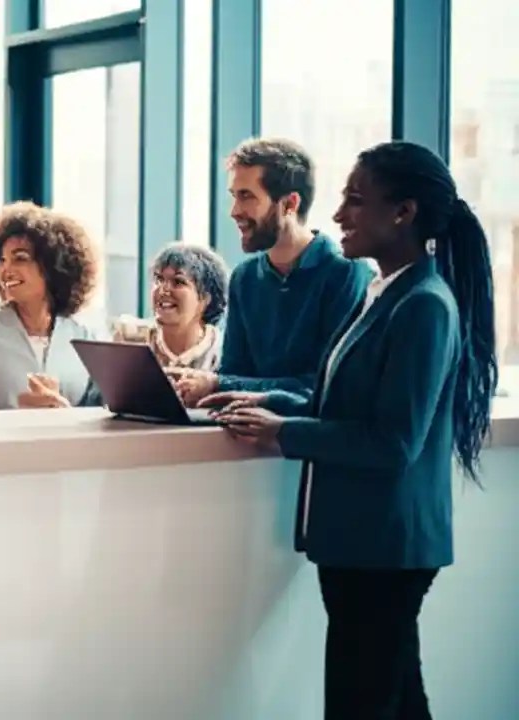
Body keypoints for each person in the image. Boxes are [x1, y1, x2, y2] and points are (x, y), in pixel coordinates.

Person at [206, 141, 496, 719]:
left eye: (355, 200)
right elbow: (342, 401)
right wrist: (266, 400)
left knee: (358, 704)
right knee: (399, 702)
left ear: (403, 213)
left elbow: (392, 442)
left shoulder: (424, 305)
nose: (338, 214)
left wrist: (283, 434)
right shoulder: (385, 291)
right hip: (363, 545)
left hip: (385, 548)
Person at [169, 138, 372, 406]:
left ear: (289, 204)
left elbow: (324, 386)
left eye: (247, 196)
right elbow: (233, 372)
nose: (234, 211)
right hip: (243, 437)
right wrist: (196, 386)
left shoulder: (346, 273)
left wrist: (219, 385)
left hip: (303, 443)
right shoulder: (244, 277)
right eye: (234, 196)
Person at [0, 201, 101, 410]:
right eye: (1, 260)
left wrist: (64, 414)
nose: (6, 269)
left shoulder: (84, 337)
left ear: (52, 266)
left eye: (20, 258)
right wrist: (16, 420)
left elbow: (98, 420)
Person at [114, 243, 228, 371]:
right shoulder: (130, 341)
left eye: (178, 282)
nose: (163, 290)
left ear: (205, 299)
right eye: (159, 279)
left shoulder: (224, 354)